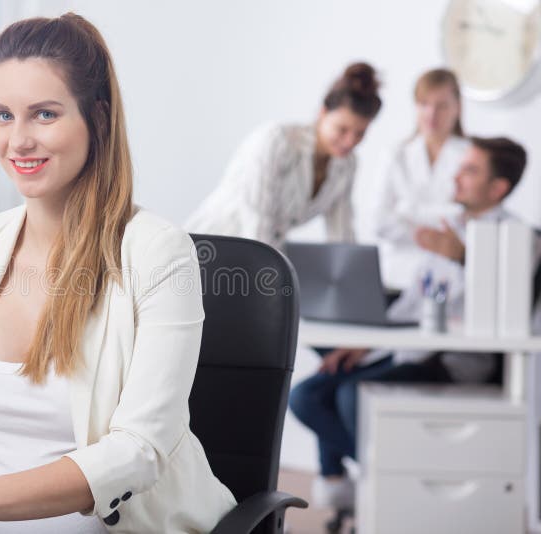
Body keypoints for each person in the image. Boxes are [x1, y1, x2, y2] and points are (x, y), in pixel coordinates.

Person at [0, 14, 235, 534]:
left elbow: (139, 449)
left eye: (45, 114)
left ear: (96, 119)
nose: (19, 140)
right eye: (3, 115)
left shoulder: (158, 253)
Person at [288, 137, 528, 511]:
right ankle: (380, 479)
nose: (457, 176)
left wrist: (465, 258)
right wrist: (364, 344)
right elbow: (415, 301)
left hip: (449, 362)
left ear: (498, 187)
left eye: (470, 169)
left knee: (351, 396)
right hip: (405, 346)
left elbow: (506, 306)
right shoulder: (448, 227)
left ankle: (389, 491)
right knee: (306, 396)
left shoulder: (516, 239)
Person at [185, 62, 382, 250]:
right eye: (342, 129)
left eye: (360, 133)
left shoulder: (346, 165)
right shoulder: (276, 140)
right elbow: (257, 221)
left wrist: (352, 275)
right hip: (212, 246)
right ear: (323, 113)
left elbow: (342, 236)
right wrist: (270, 277)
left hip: (260, 258)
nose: (350, 141)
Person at [374, 68, 470, 289]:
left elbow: (468, 220)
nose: (431, 114)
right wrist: (443, 215)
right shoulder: (395, 154)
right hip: (397, 277)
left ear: (458, 107)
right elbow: (379, 221)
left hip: (453, 280)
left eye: (442, 105)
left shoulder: (471, 157)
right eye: (424, 104)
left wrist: (406, 211)